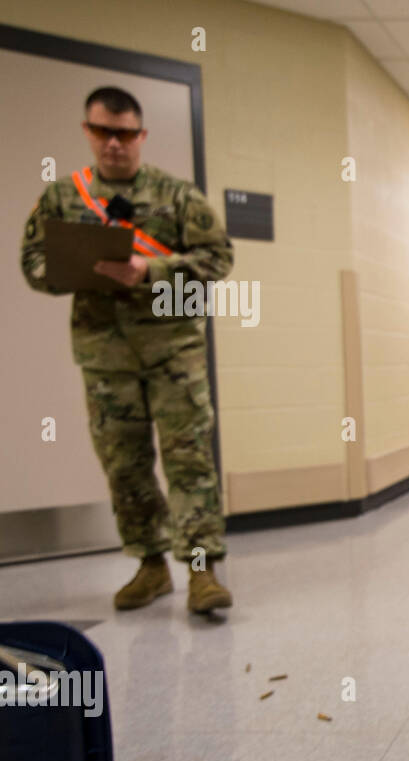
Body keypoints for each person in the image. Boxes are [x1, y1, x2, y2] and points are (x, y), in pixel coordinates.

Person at [20, 86, 235, 615]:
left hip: (173, 353)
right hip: (104, 357)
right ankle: (151, 566)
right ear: (88, 133)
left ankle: (202, 570)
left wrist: (151, 270)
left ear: (141, 135)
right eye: (103, 132)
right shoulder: (61, 198)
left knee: (189, 461)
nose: (114, 144)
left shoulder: (177, 194)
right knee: (125, 466)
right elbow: (33, 264)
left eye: (125, 133)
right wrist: (76, 270)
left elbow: (218, 258)